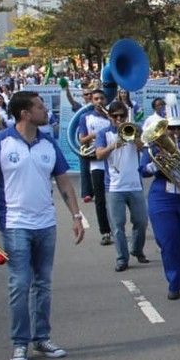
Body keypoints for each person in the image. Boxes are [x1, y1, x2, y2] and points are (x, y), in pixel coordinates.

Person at [0, 90, 86, 360]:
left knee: (42, 284)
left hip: (46, 224)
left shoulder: (48, 144)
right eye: (40, 107)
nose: (45, 110)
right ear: (25, 113)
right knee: (20, 284)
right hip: (15, 224)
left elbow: (64, 183)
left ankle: (42, 337)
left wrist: (76, 216)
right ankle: (19, 343)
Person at [141, 94, 180, 300]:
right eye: (171, 128)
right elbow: (144, 171)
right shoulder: (154, 145)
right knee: (168, 241)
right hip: (162, 196)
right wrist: (156, 162)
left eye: (178, 128)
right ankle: (174, 282)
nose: (175, 132)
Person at [95, 102, 149, 273]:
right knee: (118, 226)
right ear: (109, 117)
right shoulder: (104, 133)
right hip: (114, 187)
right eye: (115, 116)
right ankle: (122, 258)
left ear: (126, 116)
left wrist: (135, 139)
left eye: (122, 116)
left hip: (134, 184)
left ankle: (137, 250)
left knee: (141, 222)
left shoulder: (135, 129)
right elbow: (98, 154)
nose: (119, 119)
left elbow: (145, 149)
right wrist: (112, 146)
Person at [77, 88, 114, 245]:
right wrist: (93, 136)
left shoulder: (111, 117)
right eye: (96, 99)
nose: (99, 101)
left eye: (102, 99)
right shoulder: (86, 117)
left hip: (113, 162)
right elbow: (81, 140)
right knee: (100, 199)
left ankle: (116, 227)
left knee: (116, 198)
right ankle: (105, 231)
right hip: (96, 163)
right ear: (91, 101)